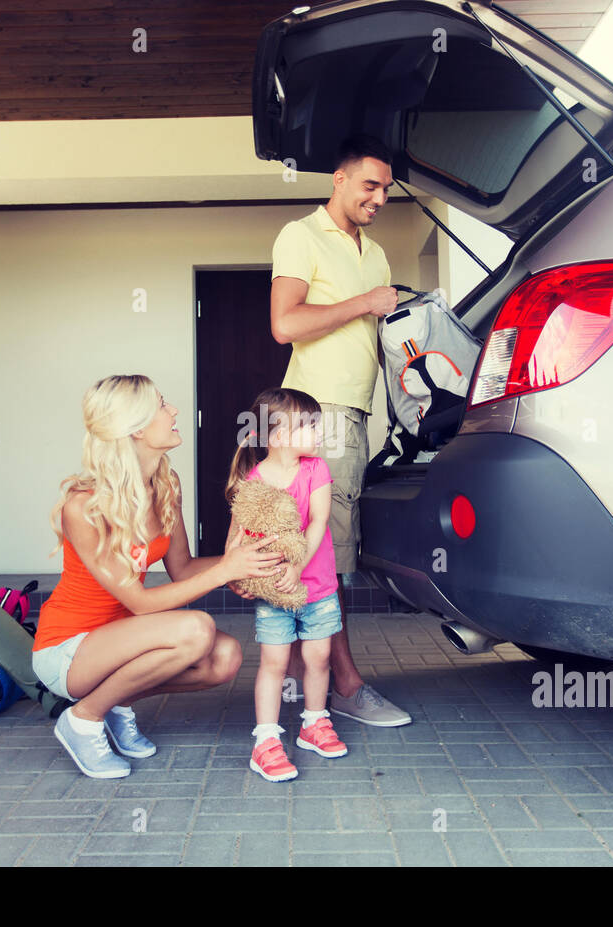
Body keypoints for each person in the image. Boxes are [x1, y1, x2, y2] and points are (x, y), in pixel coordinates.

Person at [34, 374, 283, 779]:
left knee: (224, 658)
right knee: (196, 629)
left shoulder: (165, 483)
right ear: (135, 428)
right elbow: (140, 602)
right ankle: (82, 719)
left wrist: (243, 565)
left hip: (123, 638)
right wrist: (223, 570)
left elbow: (183, 568)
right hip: (68, 648)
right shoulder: (82, 507)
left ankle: (112, 702)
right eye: (163, 405)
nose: (174, 411)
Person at [253, 132, 413, 727]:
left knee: (324, 546)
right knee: (327, 552)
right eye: (369, 184)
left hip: (356, 413)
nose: (379, 197)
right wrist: (364, 302)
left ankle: (305, 673)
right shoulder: (300, 235)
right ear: (339, 180)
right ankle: (342, 684)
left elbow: (375, 339)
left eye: (386, 189)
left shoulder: (375, 254)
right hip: (318, 414)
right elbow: (284, 322)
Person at [226, 387, 348, 782]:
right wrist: (237, 574)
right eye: (308, 424)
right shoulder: (255, 481)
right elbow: (235, 539)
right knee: (275, 664)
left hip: (318, 585)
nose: (318, 430)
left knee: (318, 658)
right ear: (278, 436)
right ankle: (266, 742)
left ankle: (314, 724)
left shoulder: (316, 470)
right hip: (272, 590)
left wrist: (297, 566)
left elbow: (316, 522)